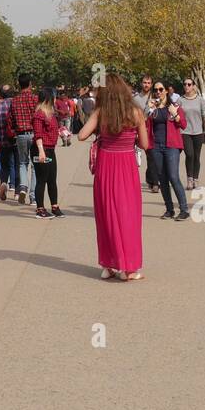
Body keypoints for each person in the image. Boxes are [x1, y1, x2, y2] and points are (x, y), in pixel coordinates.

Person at [78, 76, 150, 281]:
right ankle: (129, 268)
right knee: (129, 216)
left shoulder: (101, 113)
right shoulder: (136, 112)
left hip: (106, 166)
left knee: (106, 215)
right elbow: (144, 144)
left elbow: (81, 135)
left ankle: (109, 264)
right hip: (127, 166)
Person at [147, 90, 189, 220]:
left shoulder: (174, 106)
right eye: (155, 90)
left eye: (161, 89)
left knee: (173, 176)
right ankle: (169, 210)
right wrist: (149, 110)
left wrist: (175, 113)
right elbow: (145, 125)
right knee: (162, 179)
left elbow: (183, 125)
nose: (158, 92)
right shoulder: (153, 109)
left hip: (171, 146)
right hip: (156, 147)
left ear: (166, 91)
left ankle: (184, 210)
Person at [177, 76, 205, 193]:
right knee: (189, 154)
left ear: (194, 86)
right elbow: (174, 114)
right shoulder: (180, 100)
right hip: (185, 132)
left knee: (196, 156)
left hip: (198, 132)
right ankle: (189, 179)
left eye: (189, 84)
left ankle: (195, 179)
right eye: (185, 84)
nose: (187, 86)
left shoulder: (200, 100)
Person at [30, 87, 64, 218]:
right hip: (41, 149)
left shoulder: (51, 113)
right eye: (54, 97)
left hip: (50, 149)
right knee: (41, 179)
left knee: (52, 179)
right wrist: (41, 151)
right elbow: (38, 134)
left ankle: (54, 206)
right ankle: (40, 209)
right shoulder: (39, 114)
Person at [10, 74, 39, 205]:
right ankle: (33, 196)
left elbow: (10, 119)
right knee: (35, 165)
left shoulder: (14, 100)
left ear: (18, 84)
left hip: (20, 134)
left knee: (22, 163)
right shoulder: (35, 99)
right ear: (30, 84)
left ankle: (23, 187)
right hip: (34, 133)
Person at [132, 75, 158, 192]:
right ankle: (152, 180)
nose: (146, 84)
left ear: (151, 84)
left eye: (148, 82)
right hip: (141, 130)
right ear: (141, 83)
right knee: (149, 156)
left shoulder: (156, 96)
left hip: (154, 131)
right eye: (144, 82)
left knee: (153, 156)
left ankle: (154, 181)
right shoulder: (136, 99)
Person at [0, 86, 16, 201]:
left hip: (2, 141)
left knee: (4, 164)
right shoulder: (16, 105)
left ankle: (4, 182)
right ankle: (17, 189)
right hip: (16, 139)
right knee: (18, 164)